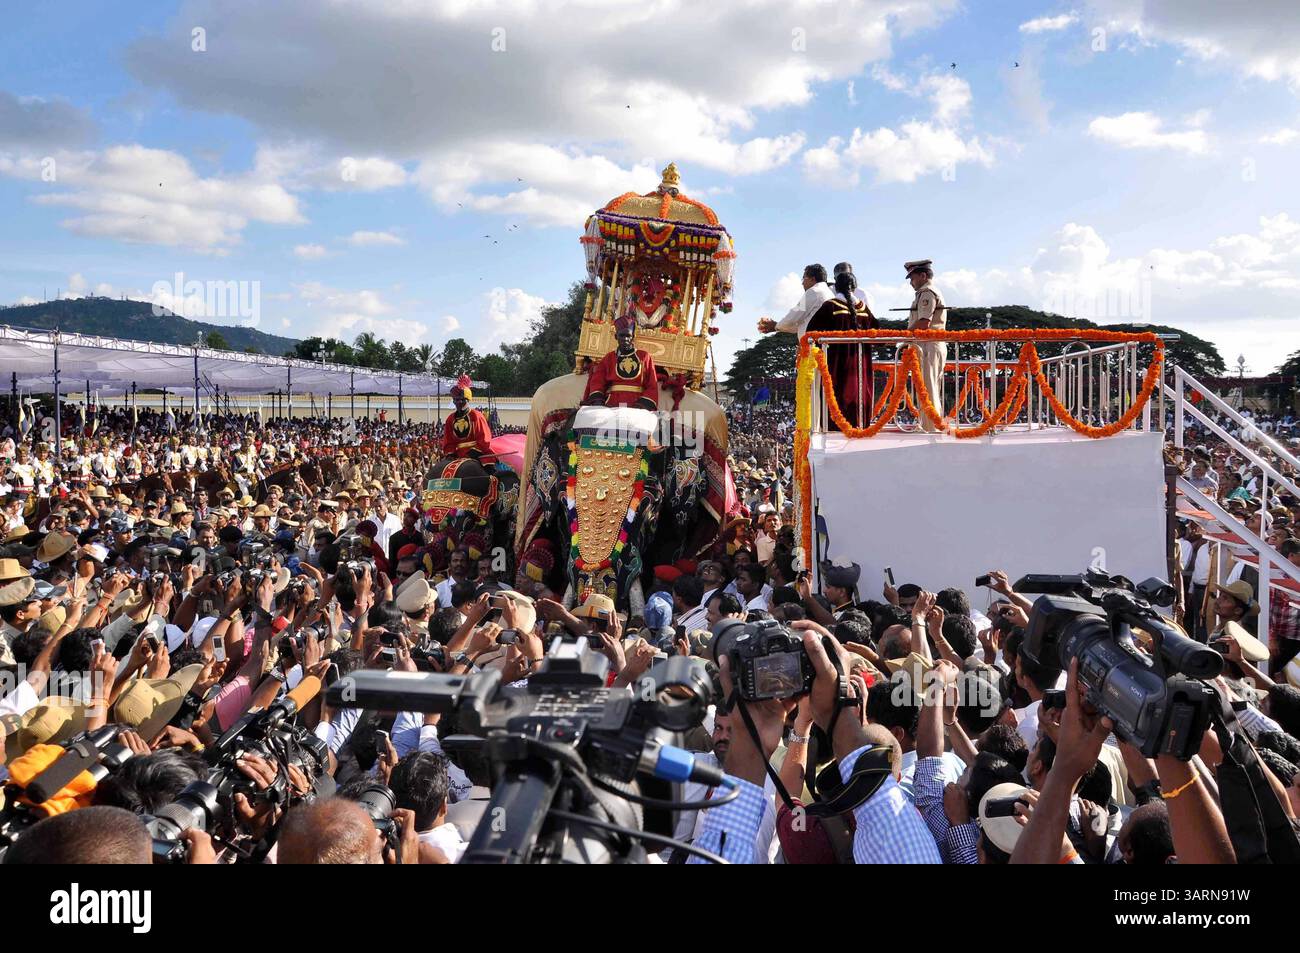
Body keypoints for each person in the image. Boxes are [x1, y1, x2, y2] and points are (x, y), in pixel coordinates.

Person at [803, 268, 876, 427]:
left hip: (836, 365)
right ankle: (861, 424)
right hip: (861, 365)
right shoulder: (864, 310)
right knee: (859, 393)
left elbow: (810, 334)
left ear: (836, 288)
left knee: (837, 394)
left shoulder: (830, 307)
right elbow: (879, 337)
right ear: (854, 288)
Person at [903, 259, 947, 434]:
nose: (911, 282)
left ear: (923, 275)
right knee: (927, 389)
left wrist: (903, 335)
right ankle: (928, 426)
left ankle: (931, 429)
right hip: (928, 346)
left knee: (928, 389)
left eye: (912, 277)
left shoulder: (927, 292)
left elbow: (923, 323)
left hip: (928, 345)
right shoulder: (925, 292)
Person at [582, 310, 660, 410]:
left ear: (633, 337)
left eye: (628, 336)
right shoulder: (609, 358)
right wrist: (598, 399)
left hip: (637, 404)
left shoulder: (644, 356)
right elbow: (597, 380)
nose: (625, 339)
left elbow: (652, 384)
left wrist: (643, 404)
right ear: (616, 336)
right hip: (612, 402)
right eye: (622, 335)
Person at [756, 264, 833, 338]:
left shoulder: (813, 291)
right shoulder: (829, 293)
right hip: (824, 341)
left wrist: (776, 326)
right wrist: (777, 327)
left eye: (804, 278)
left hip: (814, 344)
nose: (802, 283)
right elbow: (799, 325)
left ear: (812, 279)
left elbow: (793, 317)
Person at [441, 375, 495, 463]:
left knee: (488, 466)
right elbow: (448, 440)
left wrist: (475, 451)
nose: (459, 402)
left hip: (478, 453)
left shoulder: (476, 416)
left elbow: (484, 438)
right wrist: (451, 453)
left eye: (462, 399)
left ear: (468, 400)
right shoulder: (450, 419)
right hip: (457, 455)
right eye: (456, 400)